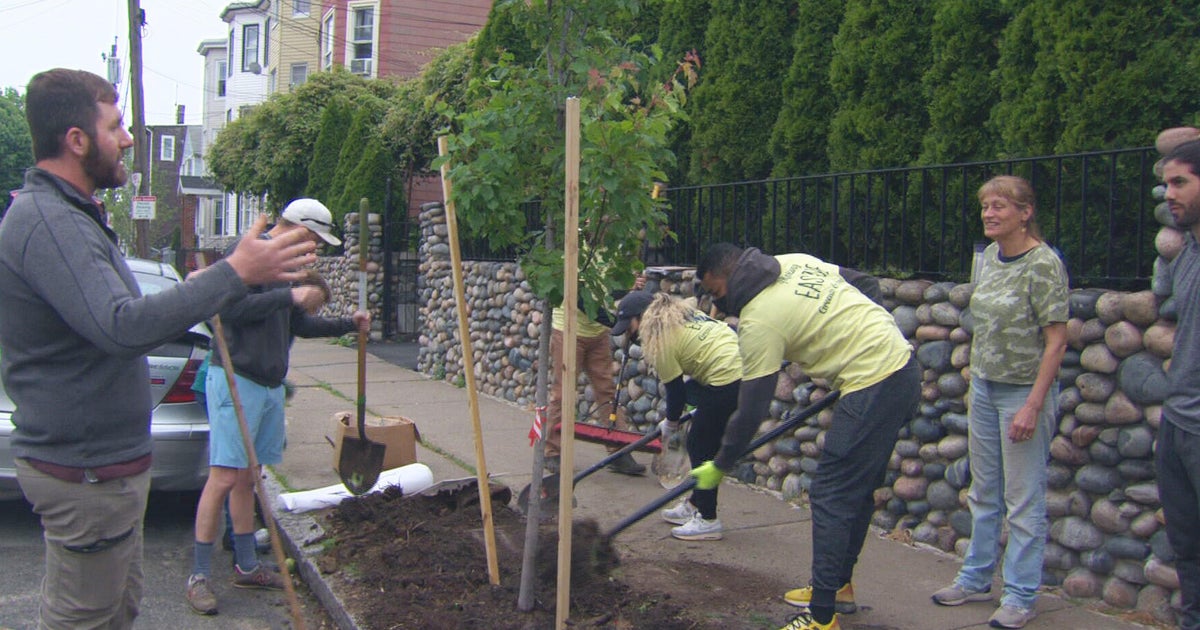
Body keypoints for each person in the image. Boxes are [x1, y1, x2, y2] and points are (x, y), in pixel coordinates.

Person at [0, 68, 316, 630]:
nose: (126, 139)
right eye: (116, 126)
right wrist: (235, 273)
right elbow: (122, 325)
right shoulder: (48, 223)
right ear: (76, 140)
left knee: (114, 611)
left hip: (103, 474)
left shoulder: (74, 217)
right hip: (85, 477)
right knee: (83, 620)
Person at [693, 243, 920, 630]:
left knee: (830, 494)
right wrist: (874, 333)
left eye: (716, 294)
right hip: (899, 368)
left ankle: (821, 616)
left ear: (731, 276)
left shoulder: (759, 321)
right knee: (856, 489)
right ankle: (837, 587)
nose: (719, 305)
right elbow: (864, 283)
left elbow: (750, 409)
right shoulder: (794, 262)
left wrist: (721, 461)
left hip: (875, 382)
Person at [186, 198, 370, 615]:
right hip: (236, 378)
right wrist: (288, 296)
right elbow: (230, 310)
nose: (316, 250)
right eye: (315, 240)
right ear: (298, 228)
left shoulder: (288, 267)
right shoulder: (249, 255)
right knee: (223, 475)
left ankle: (246, 564)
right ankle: (198, 575)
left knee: (249, 478)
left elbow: (298, 324)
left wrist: (348, 324)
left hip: (268, 384)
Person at [928, 175, 1068, 629]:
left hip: (1023, 393)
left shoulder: (1044, 264)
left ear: (1026, 213)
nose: (989, 214)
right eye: (986, 206)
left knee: (1023, 499)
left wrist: (1032, 404)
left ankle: (1021, 594)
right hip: (985, 389)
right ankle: (974, 577)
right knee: (985, 492)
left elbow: (1057, 342)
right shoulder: (989, 257)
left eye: (1000, 207)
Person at [609, 290, 742, 541]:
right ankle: (694, 503)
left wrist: (670, 424)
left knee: (699, 445)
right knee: (703, 436)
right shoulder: (684, 315)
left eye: (629, 326)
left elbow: (675, 390)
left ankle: (708, 518)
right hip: (739, 369)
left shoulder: (660, 339)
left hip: (727, 378)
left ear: (641, 318)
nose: (629, 333)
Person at [1155, 140, 1200, 630]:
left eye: (1180, 182)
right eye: (1167, 184)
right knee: (1187, 547)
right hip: (1178, 419)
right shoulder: (1187, 253)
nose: (1169, 194)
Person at [543, 276, 648, 476]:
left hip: (597, 333)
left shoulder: (611, 250)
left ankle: (618, 451)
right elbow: (581, 298)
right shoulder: (576, 250)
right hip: (568, 329)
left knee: (608, 391)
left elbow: (606, 291)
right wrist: (618, 323)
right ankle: (552, 452)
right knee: (562, 393)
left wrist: (627, 289)